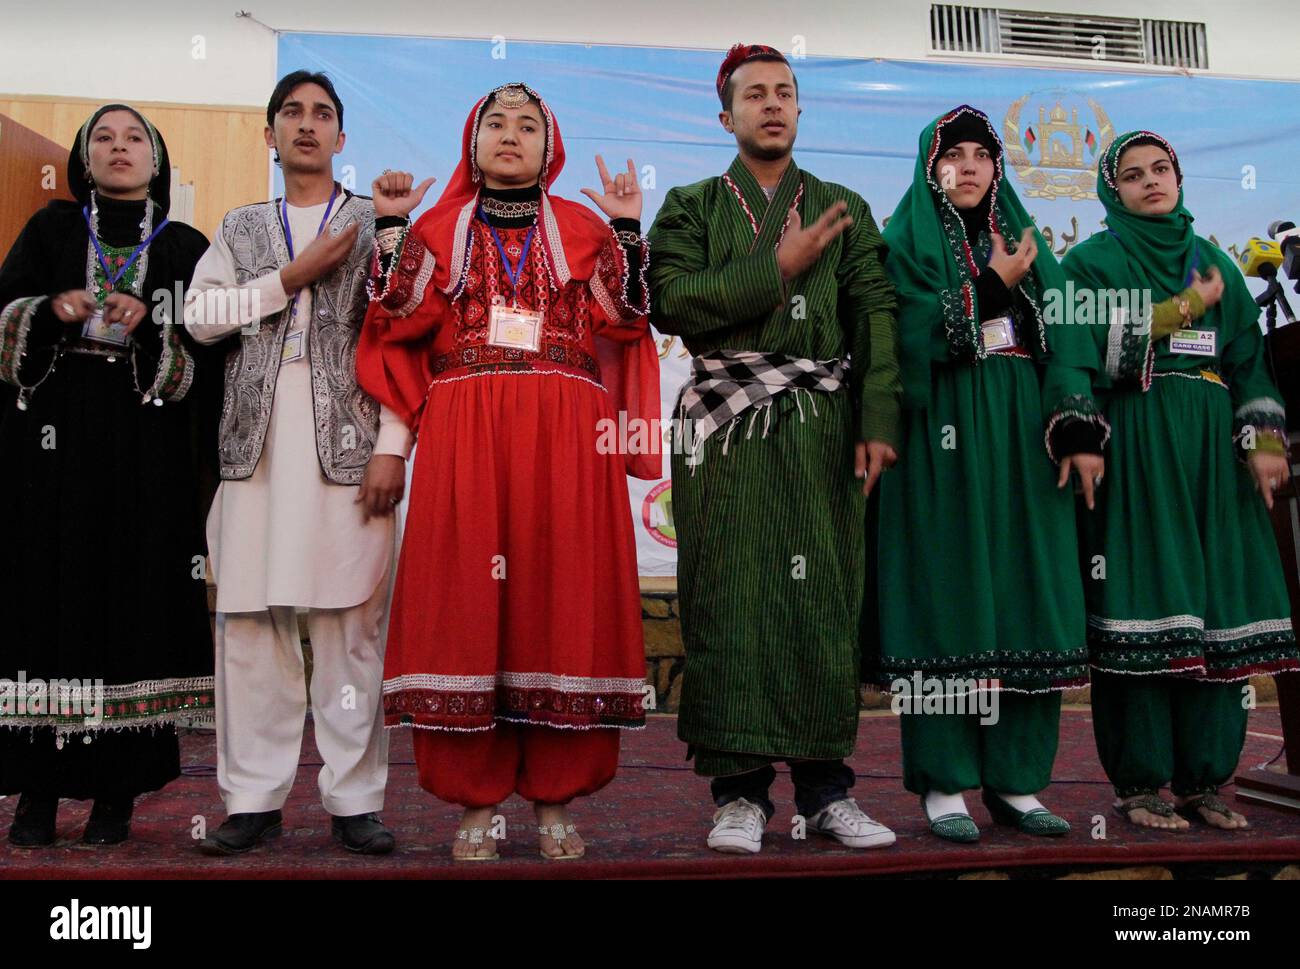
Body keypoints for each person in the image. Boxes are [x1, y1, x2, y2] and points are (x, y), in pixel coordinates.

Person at [359, 82, 659, 860]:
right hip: (466, 427)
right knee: (467, 602)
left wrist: (628, 228)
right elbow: (397, 314)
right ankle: (474, 805)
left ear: (548, 147)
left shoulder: (586, 227)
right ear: (472, 141)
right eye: (496, 122)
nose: (511, 134)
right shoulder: (436, 227)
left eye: (529, 124)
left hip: (567, 433)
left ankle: (557, 801)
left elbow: (626, 319)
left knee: (562, 597)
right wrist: (391, 227)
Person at [647, 44, 900, 854]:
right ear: (725, 115)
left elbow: (878, 314)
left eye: (784, 92)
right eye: (754, 94)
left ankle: (828, 790)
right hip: (723, 432)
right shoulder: (689, 206)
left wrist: (879, 420)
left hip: (823, 424)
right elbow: (672, 302)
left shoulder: (843, 202)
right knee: (730, 593)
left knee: (824, 597)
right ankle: (740, 795)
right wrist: (776, 266)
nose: (772, 104)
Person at [184, 71, 411, 856]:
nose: (306, 126)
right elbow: (200, 317)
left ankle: (355, 799)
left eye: (322, 115)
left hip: (348, 458)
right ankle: (252, 798)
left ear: (342, 137)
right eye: (292, 113)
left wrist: (392, 446)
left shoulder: (376, 220)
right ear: (270, 133)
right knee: (250, 624)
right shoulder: (242, 225)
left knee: (349, 626)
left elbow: (404, 340)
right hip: (252, 455)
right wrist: (289, 278)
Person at [872, 105, 1105, 843]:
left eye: (982, 154)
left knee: (1026, 597)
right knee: (945, 598)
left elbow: (1066, 331)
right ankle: (943, 785)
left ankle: (1016, 780)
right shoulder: (901, 241)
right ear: (929, 166)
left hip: (1022, 443)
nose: (969, 166)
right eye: (954, 156)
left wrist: (1074, 424)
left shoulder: (1034, 243)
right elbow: (900, 333)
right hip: (939, 439)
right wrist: (993, 287)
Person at [1060, 130, 1300, 831]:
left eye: (1160, 169)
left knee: (1216, 614)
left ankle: (1205, 781)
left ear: (1178, 176)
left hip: (1213, 461)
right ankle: (1139, 783)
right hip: (1137, 451)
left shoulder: (1214, 259)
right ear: (1113, 191)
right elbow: (1075, 347)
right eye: (1133, 175)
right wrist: (1178, 312)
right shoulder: (1090, 262)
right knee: (1143, 610)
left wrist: (1260, 440)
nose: (1151, 182)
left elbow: (1251, 364)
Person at [0, 104, 214, 846]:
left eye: (134, 139)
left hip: (144, 451)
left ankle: (116, 795)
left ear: (156, 160)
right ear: (83, 159)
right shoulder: (51, 231)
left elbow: (210, 360)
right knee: (48, 601)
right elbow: (2, 326)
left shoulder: (187, 246)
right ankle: (35, 793)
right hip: (51, 453)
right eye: (104, 138)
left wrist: (150, 329)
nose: (119, 148)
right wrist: (50, 309)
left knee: (131, 604)